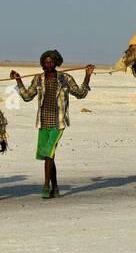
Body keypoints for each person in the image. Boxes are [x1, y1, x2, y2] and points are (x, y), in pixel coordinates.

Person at [10, 50, 94, 198]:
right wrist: (18, 80)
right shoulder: (38, 79)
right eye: (46, 62)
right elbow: (27, 97)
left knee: (49, 153)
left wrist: (87, 76)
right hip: (43, 121)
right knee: (49, 155)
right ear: (42, 63)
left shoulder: (65, 78)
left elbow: (80, 94)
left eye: (51, 62)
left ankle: (45, 187)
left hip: (58, 121)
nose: (48, 64)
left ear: (56, 63)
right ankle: (55, 188)